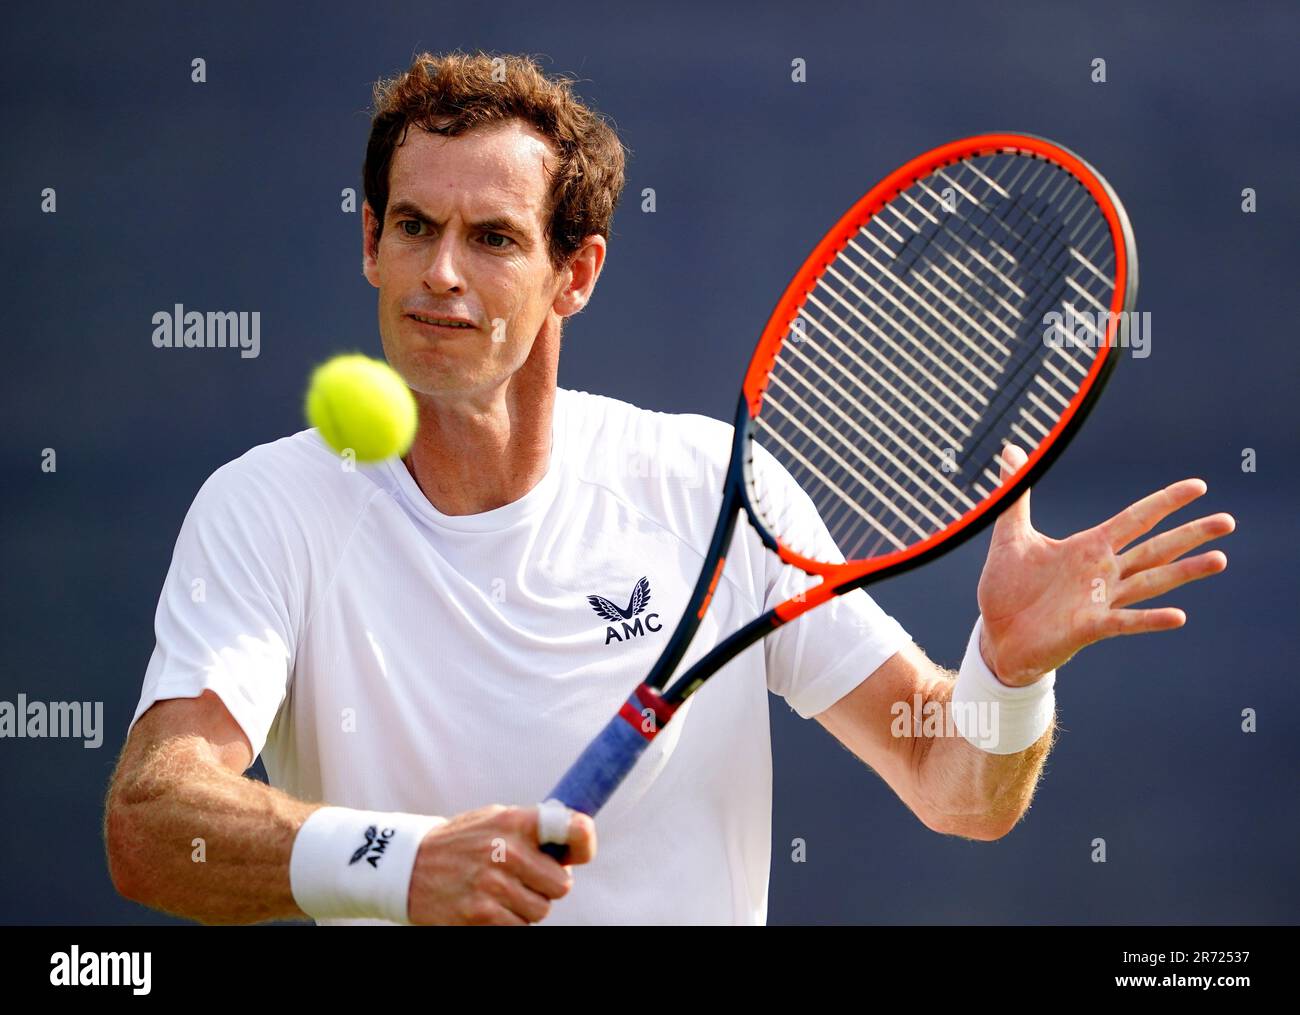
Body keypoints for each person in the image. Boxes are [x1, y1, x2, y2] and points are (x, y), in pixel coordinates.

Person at [104, 51, 1234, 926]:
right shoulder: (268, 508)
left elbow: (955, 786)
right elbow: (153, 824)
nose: (440, 272)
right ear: (369, 242)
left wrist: (1007, 671)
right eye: (413, 226)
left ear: (576, 273)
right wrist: (401, 865)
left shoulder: (706, 483)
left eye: (493, 237)